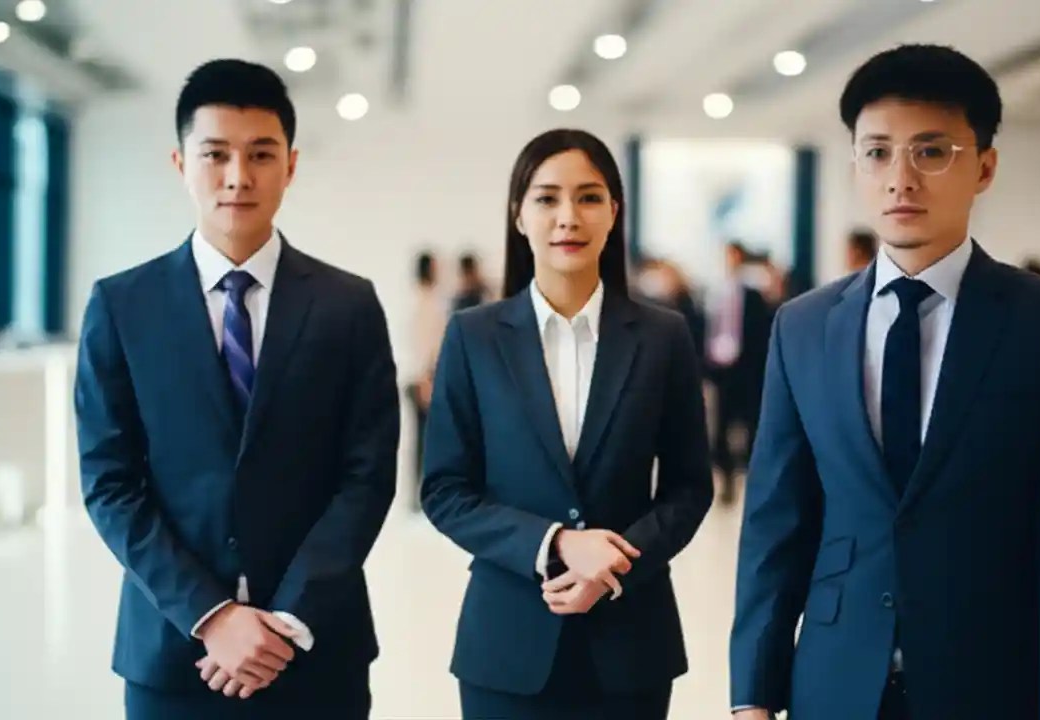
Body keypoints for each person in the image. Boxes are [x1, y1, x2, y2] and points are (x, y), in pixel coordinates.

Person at [730, 44, 1040, 720]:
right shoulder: (804, 326)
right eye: (878, 152)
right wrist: (752, 696)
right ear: (855, 166)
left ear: (985, 167)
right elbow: (775, 528)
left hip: (992, 682)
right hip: (835, 682)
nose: (900, 178)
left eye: (931, 151)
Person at [75, 59, 398, 719]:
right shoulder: (121, 306)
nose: (237, 177)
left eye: (260, 154)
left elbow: (366, 476)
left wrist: (290, 617)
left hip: (315, 648)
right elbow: (110, 482)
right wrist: (211, 614)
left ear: (292, 164)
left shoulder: (349, 305)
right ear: (179, 162)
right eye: (215, 154)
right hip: (174, 651)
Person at [421, 128, 713, 719]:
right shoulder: (474, 337)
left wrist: (611, 569)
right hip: (507, 647)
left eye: (588, 197)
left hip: (632, 646)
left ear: (613, 213)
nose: (567, 217)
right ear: (519, 215)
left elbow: (689, 488)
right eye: (547, 198)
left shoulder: (662, 336)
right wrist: (556, 545)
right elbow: (446, 491)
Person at [707, 241, 775, 503]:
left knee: (750, 425)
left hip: (747, 371)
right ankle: (726, 482)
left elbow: (761, 333)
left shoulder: (754, 293)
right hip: (723, 370)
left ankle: (755, 479)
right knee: (721, 427)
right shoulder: (718, 292)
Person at [407, 251, 448, 509]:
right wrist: (426, 379)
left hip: (418, 376)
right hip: (423, 378)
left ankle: (418, 494)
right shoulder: (426, 302)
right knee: (425, 439)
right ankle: (421, 495)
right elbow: (424, 344)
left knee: (421, 438)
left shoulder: (417, 299)